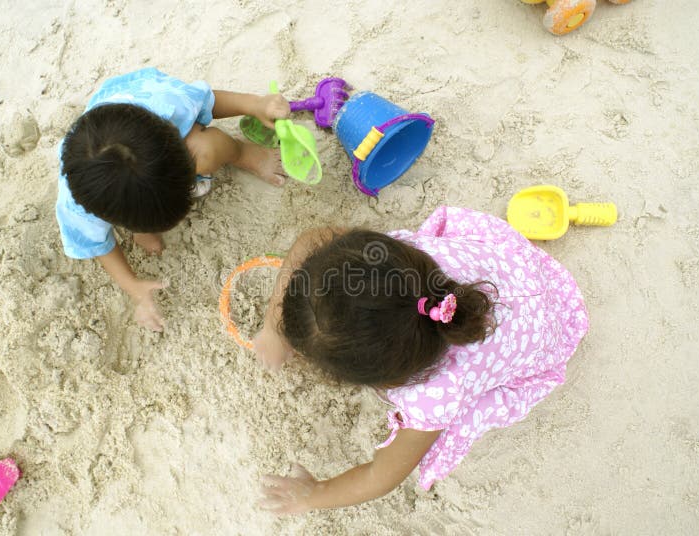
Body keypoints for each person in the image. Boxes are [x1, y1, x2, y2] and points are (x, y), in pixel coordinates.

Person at [252, 206, 589, 513]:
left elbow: (379, 476)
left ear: (386, 381)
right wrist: (272, 327)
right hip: (517, 275)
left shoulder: (435, 395)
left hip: (542, 339)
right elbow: (311, 242)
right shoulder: (395, 267)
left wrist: (314, 494)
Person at [56, 67, 290, 331]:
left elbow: (208, 101)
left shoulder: (170, 104)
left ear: (172, 131)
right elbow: (96, 244)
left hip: (139, 108)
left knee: (209, 149)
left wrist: (254, 104)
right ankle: (143, 226)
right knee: (138, 194)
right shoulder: (77, 206)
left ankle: (243, 152)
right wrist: (133, 287)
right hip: (122, 144)